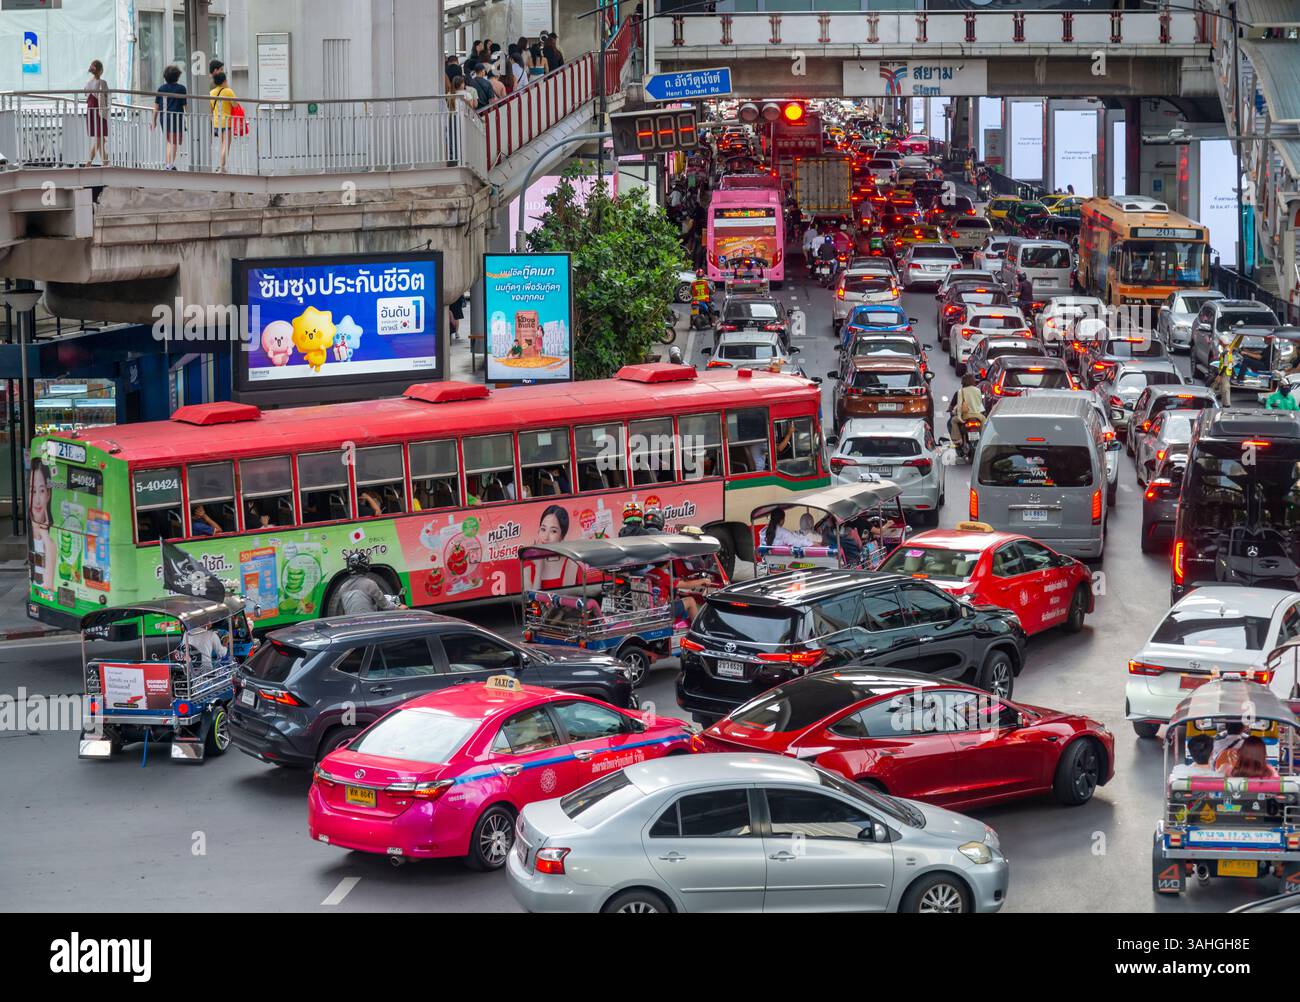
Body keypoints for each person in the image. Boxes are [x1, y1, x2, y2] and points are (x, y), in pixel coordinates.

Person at [524, 505, 579, 591]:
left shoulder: (570, 563)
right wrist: (539, 569)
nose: (546, 537)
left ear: (562, 536)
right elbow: (531, 602)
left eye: (553, 531)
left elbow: (564, 601)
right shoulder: (528, 564)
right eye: (543, 529)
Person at [335, 552, 403, 615]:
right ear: (364, 565)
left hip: (352, 625)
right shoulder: (369, 584)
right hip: (369, 622)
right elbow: (385, 605)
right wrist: (399, 608)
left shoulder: (342, 588)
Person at [151, 64, 187, 170]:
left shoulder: (161, 88)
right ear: (178, 76)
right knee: (174, 142)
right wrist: (187, 119)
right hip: (176, 118)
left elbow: (156, 107)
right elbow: (185, 106)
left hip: (164, 118)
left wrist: (154, 121)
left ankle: (168, 164)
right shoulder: (181, 89)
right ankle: (169, 165)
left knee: (169, 141)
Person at [28, 458, 54, 592]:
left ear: (48, 495)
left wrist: (43, 534)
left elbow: (47, 585)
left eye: (42, 491)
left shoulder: (50, 541)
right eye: (33, 492)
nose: (37, 500)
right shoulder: (31, 532)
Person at [209, 70, 237, 173]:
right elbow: (235, 105)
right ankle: (221, 166)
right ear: (224, 81)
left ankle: (221, 165)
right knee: (226, 144)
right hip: (226, 121)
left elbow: (211, 109)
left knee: (222, 144)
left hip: (216, 122)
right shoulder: (228, 91)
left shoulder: (211, 93)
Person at [84, 60, 110, 167]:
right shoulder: (102, 83)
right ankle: (88, 162)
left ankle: (105, 162)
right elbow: (107, 95)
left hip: (90, 111)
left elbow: (86, 94)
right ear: (101, 71)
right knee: (100, 139)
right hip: (99, 112)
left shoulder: (88, 83)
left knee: (101, 139)